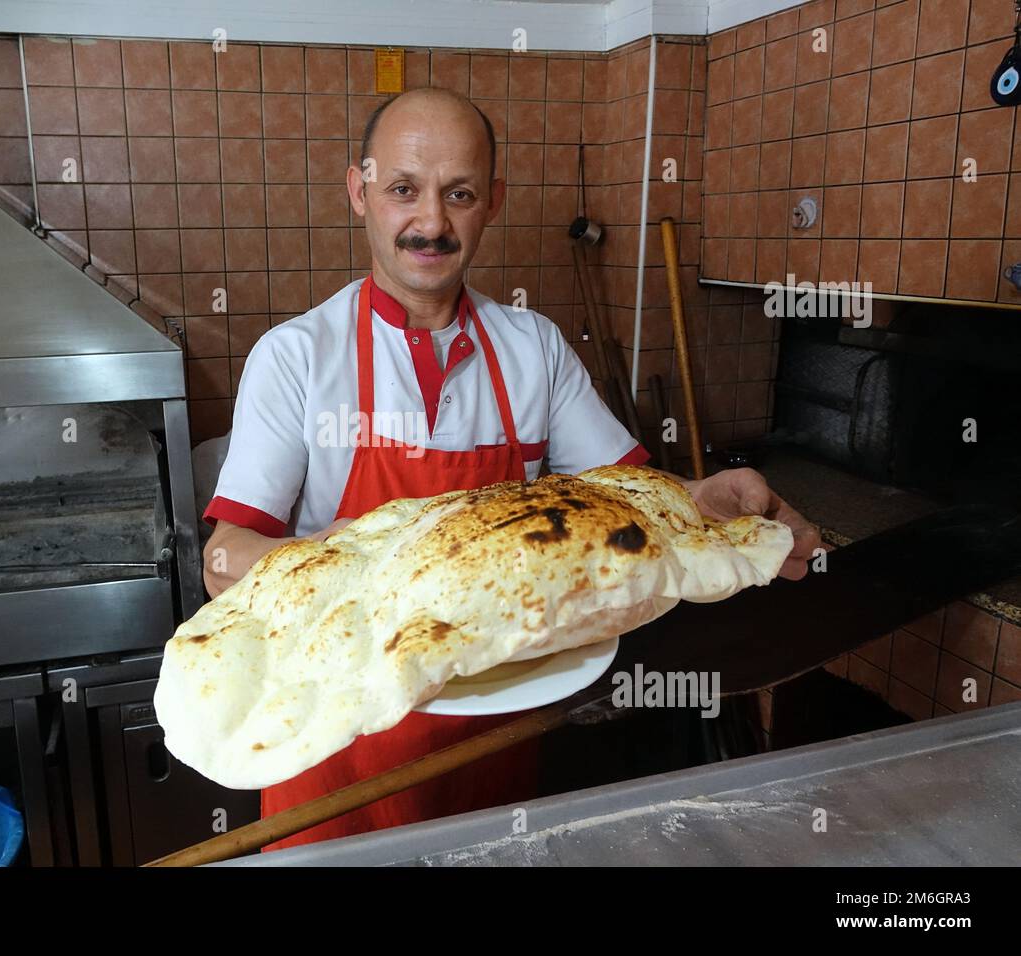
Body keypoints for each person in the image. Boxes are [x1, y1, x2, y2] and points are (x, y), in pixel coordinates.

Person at [200, 87, 820, 849]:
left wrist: (707, 501)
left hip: (496, 730)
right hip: (342, 744)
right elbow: (228, 562)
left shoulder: (533, 350)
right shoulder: (296, 358)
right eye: (403, 190)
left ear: (492, 200)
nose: (431, 223)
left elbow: (633, 499)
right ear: (358, 190)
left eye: (458, 194)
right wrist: (408, 581)